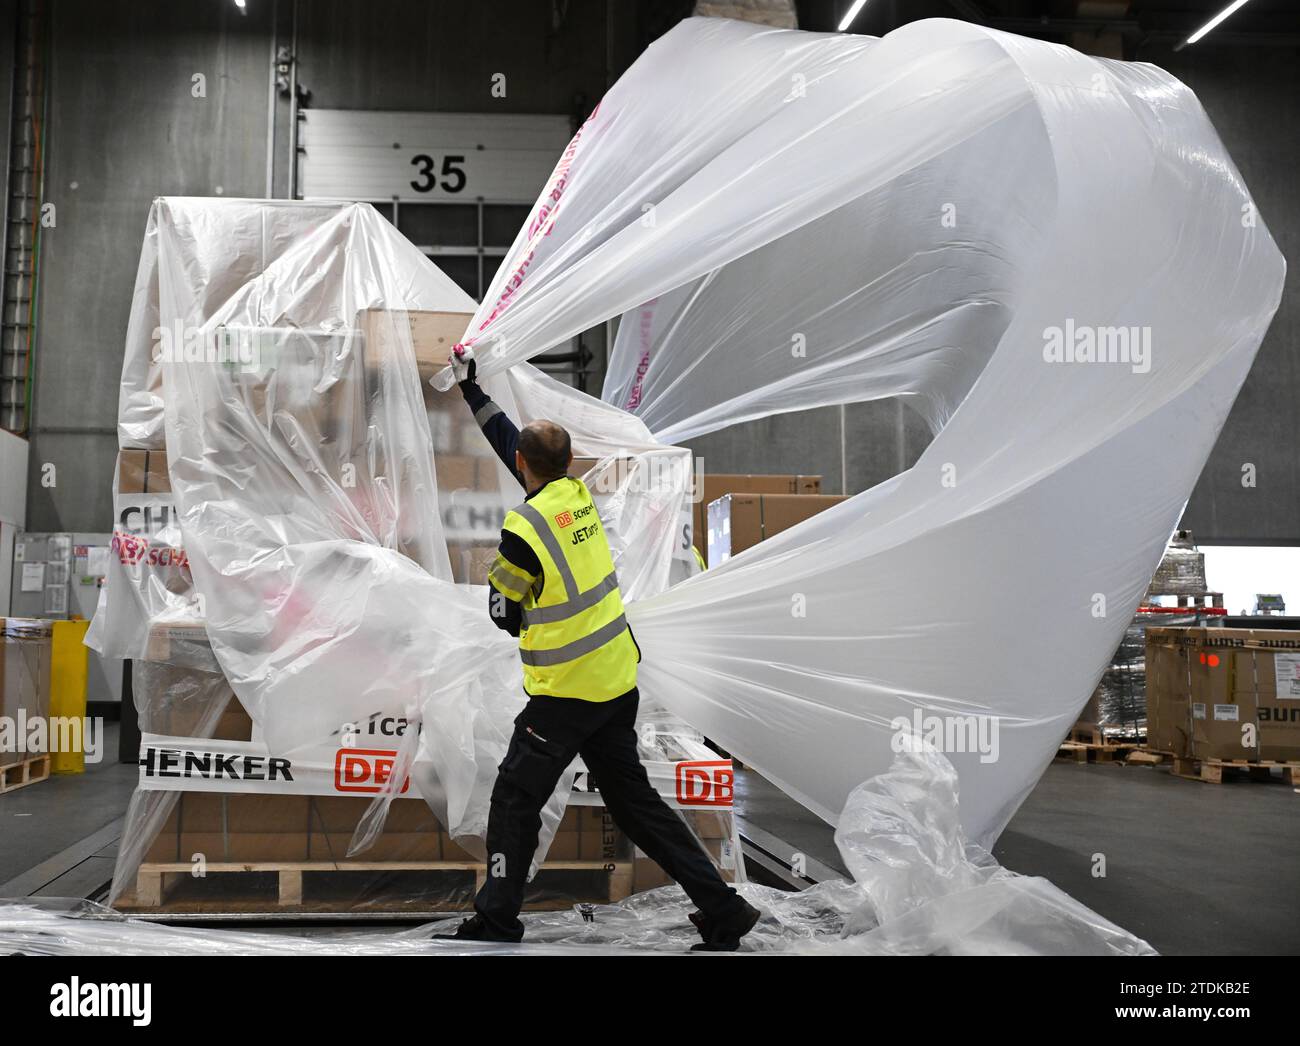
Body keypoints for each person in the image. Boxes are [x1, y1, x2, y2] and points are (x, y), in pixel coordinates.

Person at [437, 354, 761, 951]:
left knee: (515, 796)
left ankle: (498, 918)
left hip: (568, 692)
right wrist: (471, 387)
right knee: (636, 804)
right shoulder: (575, 495)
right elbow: (515, 440)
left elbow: (503, 613)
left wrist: (511, 593)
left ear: (521, 468)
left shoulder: (525, 527)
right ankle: (724, 907)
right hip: (616, 681)